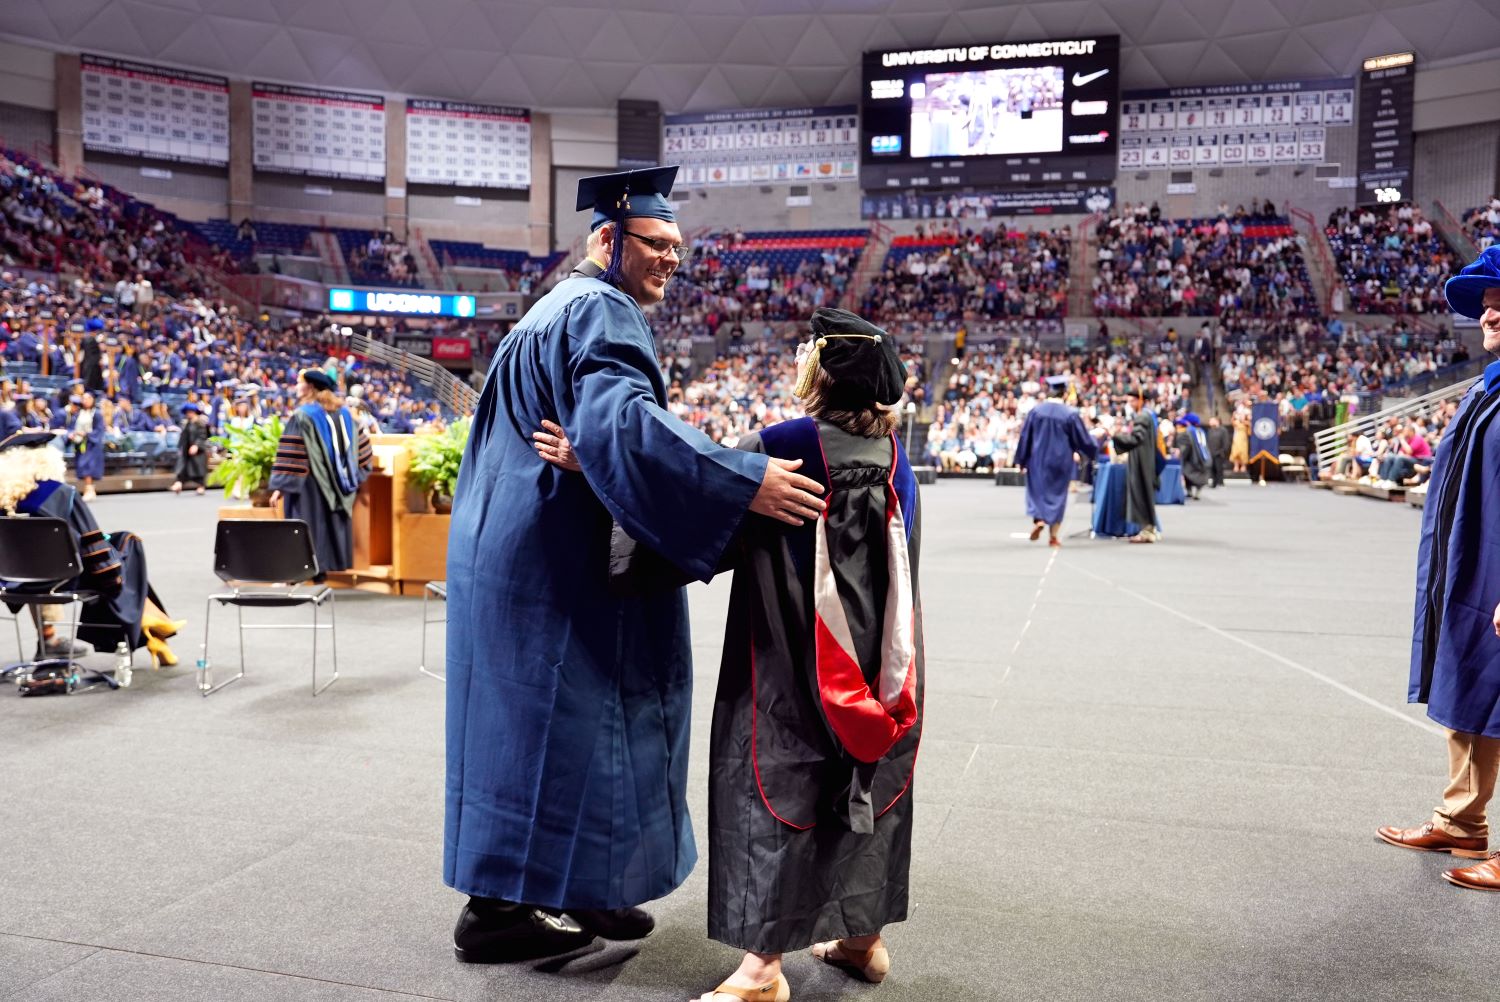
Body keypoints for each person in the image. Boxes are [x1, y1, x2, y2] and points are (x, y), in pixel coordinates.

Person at [444, 166, 827, 962]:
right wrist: (741, 478)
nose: (670, 260)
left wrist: (594, 452)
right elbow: (621, 421)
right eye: (657, 244)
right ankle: (498, 910)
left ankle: (591, 888)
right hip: (556, 562)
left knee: (562, 730)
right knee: (569, 726)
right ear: (609, 239)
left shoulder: (549, 309)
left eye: (678, 250)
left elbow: (593, 429)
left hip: (513, 548)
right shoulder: (601, 311)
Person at [694, 309, 922, 1002]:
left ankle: (762, 971)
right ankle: (862, 939)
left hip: (789, 655)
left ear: (818, 377)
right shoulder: (895, 460)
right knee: (866, 775)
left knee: (780, 784)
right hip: (883, 661)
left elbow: (700, 516)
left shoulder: (778, 445)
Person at [1380, 246, 1500, 891]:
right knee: (1469, 684)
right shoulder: (1490, 387)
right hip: (1474, 563)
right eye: (1486, 305)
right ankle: (1461, 820)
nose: (1489, 314)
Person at [0, 430, 182, 667]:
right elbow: (93, 545)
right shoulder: (60, 494)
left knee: (112, 553)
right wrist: (112, 571)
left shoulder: (4, 502)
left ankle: (155, 626)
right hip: (65, 578)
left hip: (12, 580)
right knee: (127, 546)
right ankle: (153, 629)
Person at [268, 369, 373, 576]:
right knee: (328, 524)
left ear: (311, 387)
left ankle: (304, 572)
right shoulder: (345, 414)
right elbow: (364, 449)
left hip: (309, 485)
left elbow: (294, 453)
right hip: (340, 484)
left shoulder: (303, 416)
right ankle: (325, 571)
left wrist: (280, 486)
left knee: (309, 525)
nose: (296, 387)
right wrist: (352, 476)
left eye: (299, 383)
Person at [1015, 374, 1097, 546]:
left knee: (1037, 492)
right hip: (1061, 461)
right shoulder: (1070, 414)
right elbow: (1082, 440)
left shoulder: (1036, 411)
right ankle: (1053, 536)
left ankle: (1039, 520)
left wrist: (1021, 460)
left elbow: (1025, 437)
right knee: (1057, 496)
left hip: (1037, 460)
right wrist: (1094, 447)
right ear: (1064, 393)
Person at [1112, 389, 1164, 544]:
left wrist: (1116, 436)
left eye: (1132, 401)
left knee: (1141, 494)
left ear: (1141, 400)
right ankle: (1149, 529)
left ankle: (1147, 531)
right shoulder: (1149, 415)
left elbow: (1135, 439)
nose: (1130, 404)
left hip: (1142, 461)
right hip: (1146, 458)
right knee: (1144, 493)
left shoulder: (1143, 416)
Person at [69, 390, 103, 501]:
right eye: (84, 398)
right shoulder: (78, 413)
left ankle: (89, 489)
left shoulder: (96, 414)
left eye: (88, 398)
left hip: (91, 444)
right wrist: (72, 434)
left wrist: (87, 434)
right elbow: (72, 426)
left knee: (89, 466)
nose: (86, 401)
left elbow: (99, 429)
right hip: (80, 443)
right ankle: (90, 490)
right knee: (82, 465)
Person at [171, 402, 209, 495]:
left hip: (198, 451)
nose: (189, 414)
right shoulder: (187, 423)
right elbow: (184, 437)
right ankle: (179, 483)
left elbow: (203, 436)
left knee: (198, 469)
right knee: (183, 467)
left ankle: (201, 486)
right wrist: (180, 447)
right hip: (187, 450)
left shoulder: (200, 423)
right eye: (187, 412)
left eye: (190, 412)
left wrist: (196, 445)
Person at [1174, 413, 1210, 501]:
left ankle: (1189, 491)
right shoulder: (1201, 431)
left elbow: (1186, 446)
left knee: (1187, 472)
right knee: (1200, 475)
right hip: (1204, 458)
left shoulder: (1188, 432)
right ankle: (1197, 492)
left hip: (1192, 458)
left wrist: (1181, 455)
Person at [1205, 415, 1230, 488]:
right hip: (1211, 452)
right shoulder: (1210, 430)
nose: (1210, 422)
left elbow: (1226, 442)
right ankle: (1214, 482)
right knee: (1212, 468)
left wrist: (1223, 451)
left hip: (1219, 452)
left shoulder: (1223, 430)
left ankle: (1220, 482)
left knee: (1219, 468)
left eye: (1211, 420)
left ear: (1217, 421)